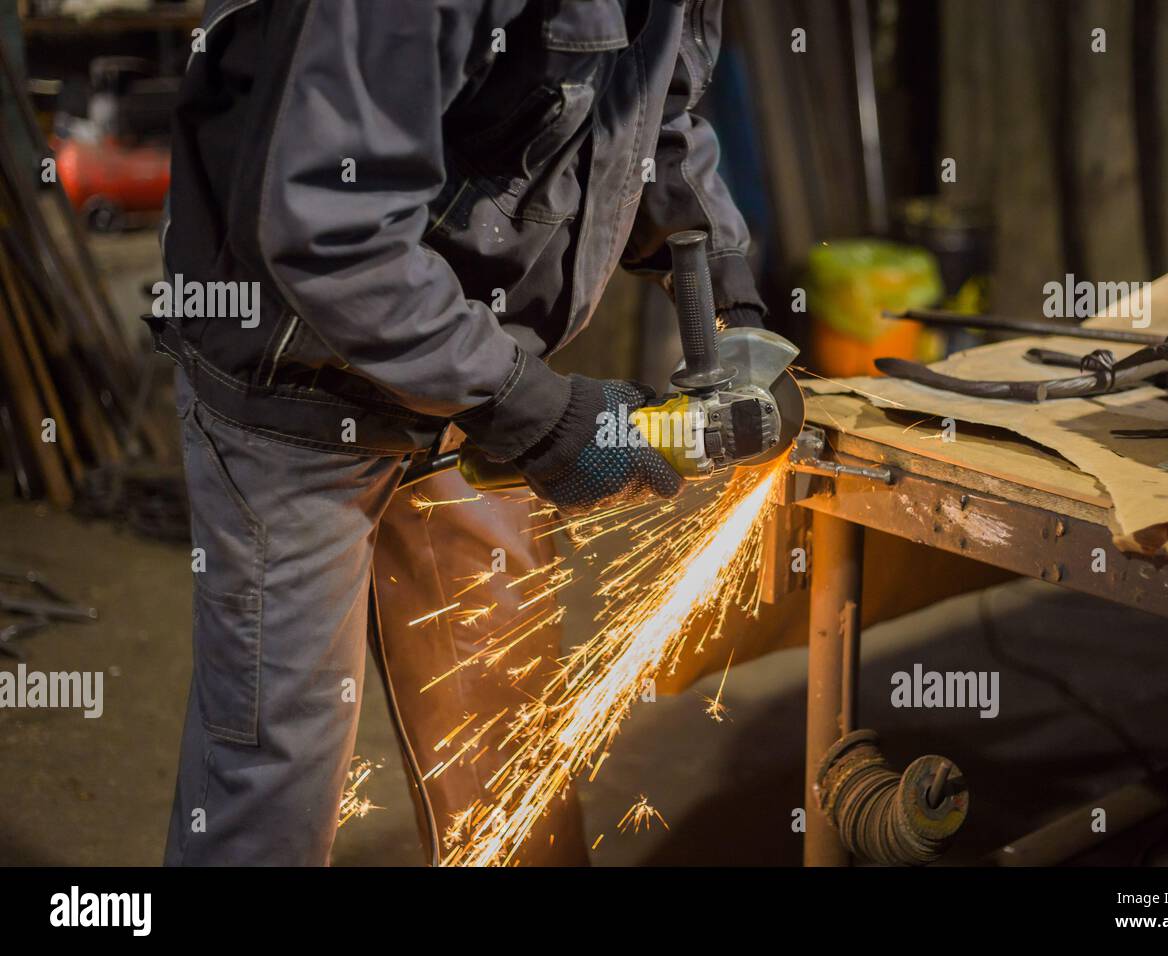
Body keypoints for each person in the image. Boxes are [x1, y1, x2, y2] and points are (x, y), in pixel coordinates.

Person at [154, 0, 766, 865]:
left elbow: (655, 113)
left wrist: (729, 298)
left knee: (507, 727)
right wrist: (540, 418)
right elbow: (332, 229)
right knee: (277, 770)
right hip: (296, 375)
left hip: (472, 357)